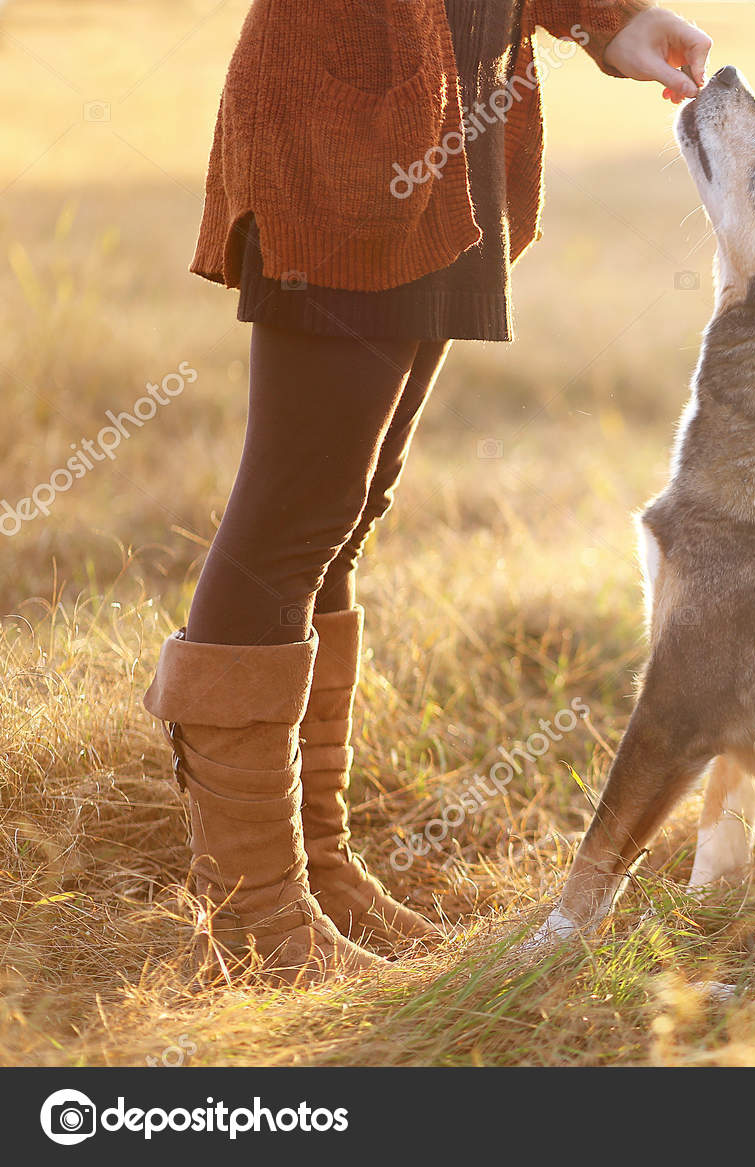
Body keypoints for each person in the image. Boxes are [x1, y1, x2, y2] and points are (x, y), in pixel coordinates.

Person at [142, 1, 712, 982]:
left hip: (454, 117)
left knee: (349, 511)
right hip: (343, 129)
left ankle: (314, 869)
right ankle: (254, 916)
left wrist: (598, 17)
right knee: (296, 511)